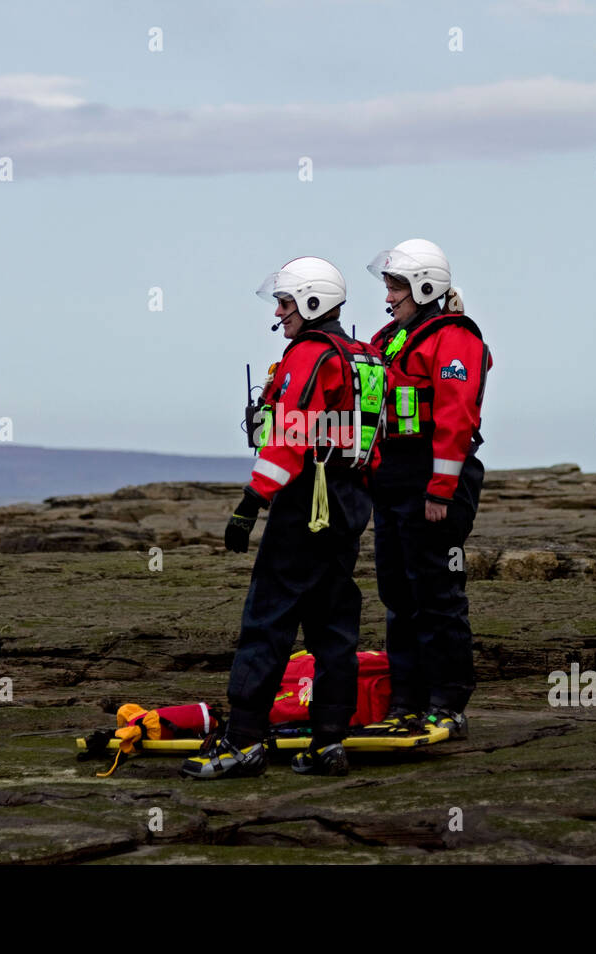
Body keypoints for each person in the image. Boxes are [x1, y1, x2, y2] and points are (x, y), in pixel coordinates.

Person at [180, 257, 385, 780]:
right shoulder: (360, 356)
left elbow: (288, 440)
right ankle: (329, 741)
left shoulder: (310, 357)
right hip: (347, 507)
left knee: (267, 620)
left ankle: (243, 739)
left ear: (312, 302)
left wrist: (250, 503)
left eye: (286, 303)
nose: (279, 314)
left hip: (303, 509)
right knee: (333, 626)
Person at [361, 239, 491, 739]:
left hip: (433, 484)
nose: (389, 296)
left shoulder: (454, 340)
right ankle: (405, 700)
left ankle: (447, 702)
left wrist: (440, 491)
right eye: (388, 285)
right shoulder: (390, 337)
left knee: (437, 594)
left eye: (396, 286)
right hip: (391, 481)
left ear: (424, 287)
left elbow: (456, 419)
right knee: (397, 594)